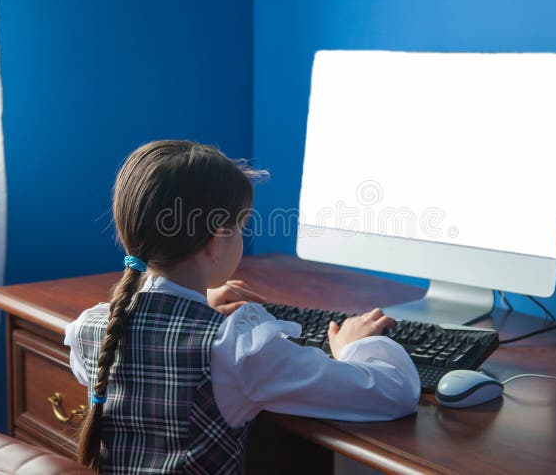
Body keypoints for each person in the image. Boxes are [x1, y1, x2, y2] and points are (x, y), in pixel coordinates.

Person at [64, 140, 420, 473]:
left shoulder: (88, 330)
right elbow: (395, 394)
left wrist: (198, 305)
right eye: (241, 226)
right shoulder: (237, 349)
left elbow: (156, 341)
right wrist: (357, 345)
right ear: (216, 242)